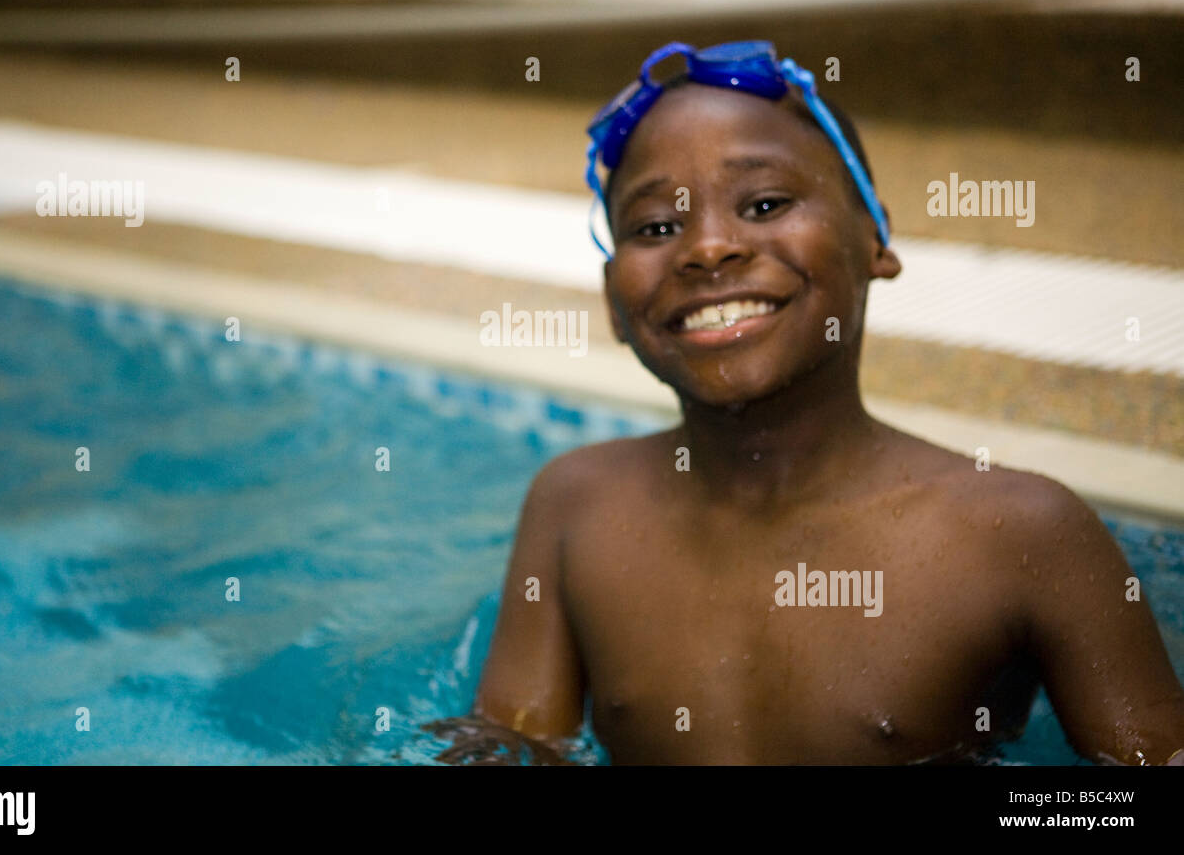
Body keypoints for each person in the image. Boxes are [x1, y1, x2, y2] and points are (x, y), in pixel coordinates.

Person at [426, 41, 1184, 765]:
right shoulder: (574, 506)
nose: (708, 248)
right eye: (656, 226)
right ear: (613, 305)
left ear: (873, 237)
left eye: (763, 204)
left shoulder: (1023, 534)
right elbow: (510, 752)